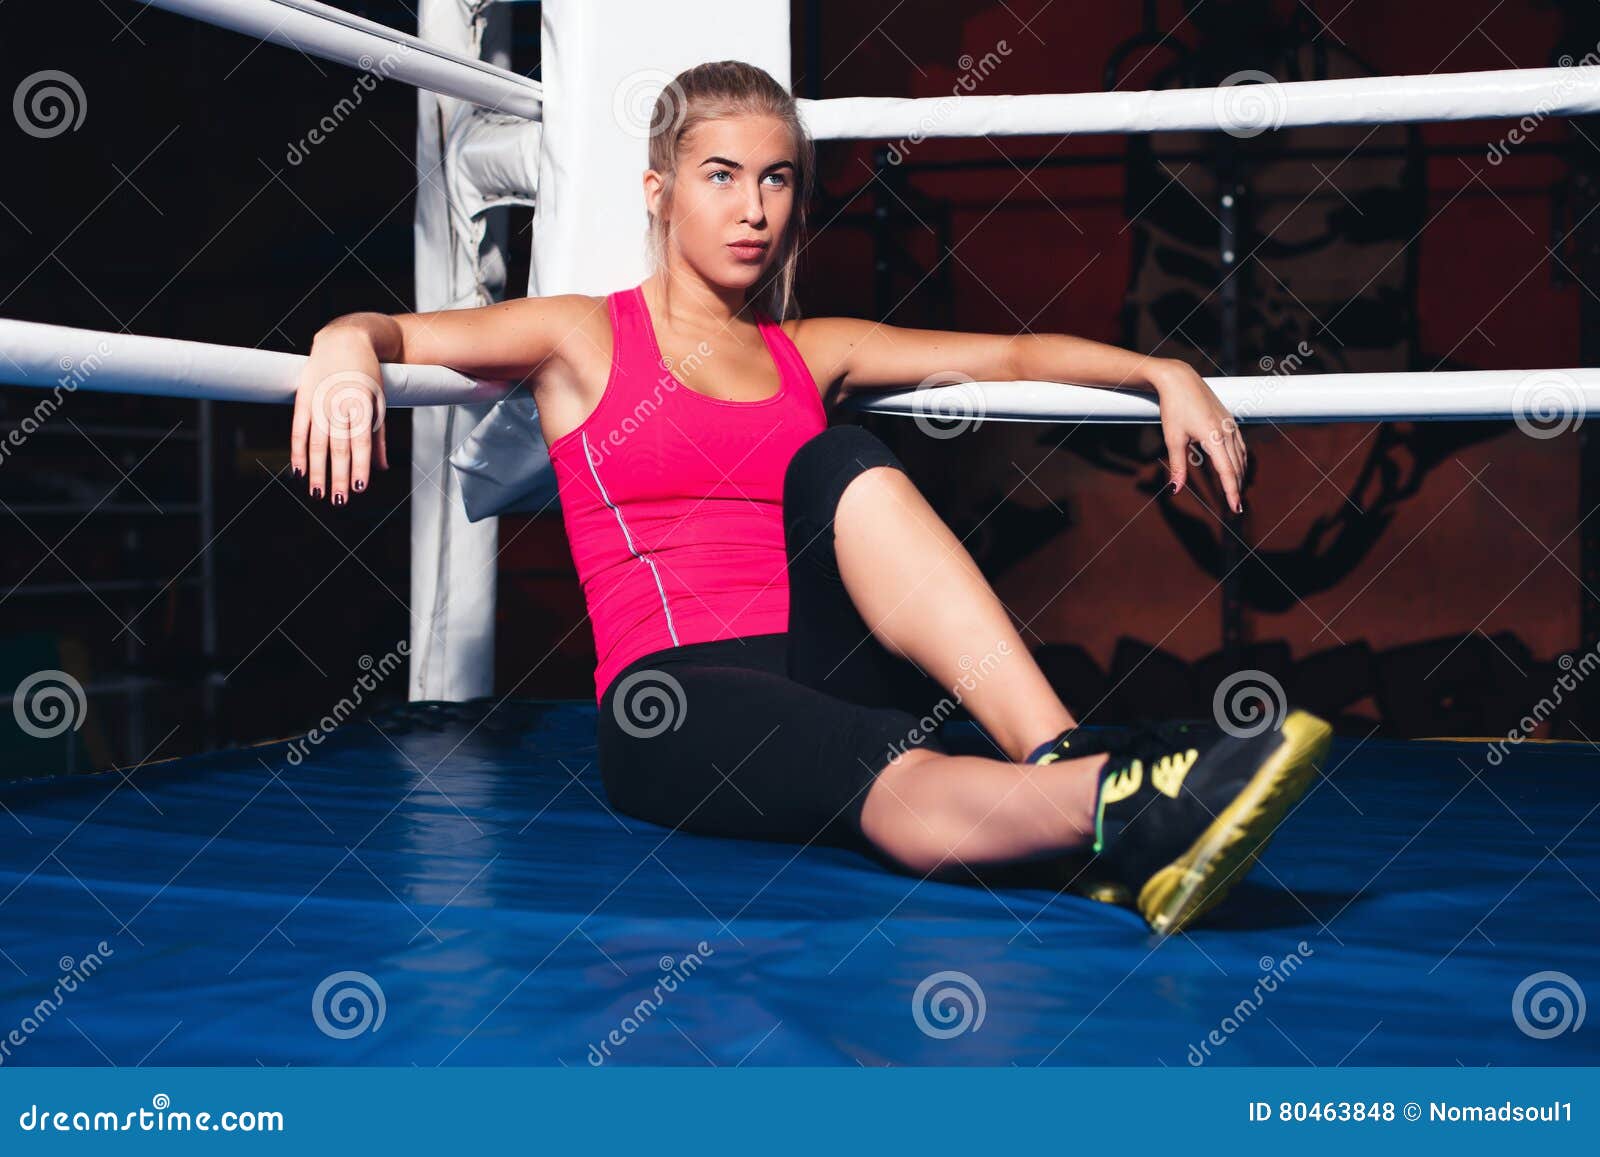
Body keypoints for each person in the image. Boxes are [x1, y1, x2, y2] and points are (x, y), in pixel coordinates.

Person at [288, 60, 1331, 937]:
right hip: (673, 699)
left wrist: (1160, 371)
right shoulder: (580, 334)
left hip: (824, 662)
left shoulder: (809, 350)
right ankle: (1119, 810)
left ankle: (1066, 755)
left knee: (839, 460)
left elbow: (1011, 355)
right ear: (659, 191)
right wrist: (341, 352)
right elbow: (388, 330)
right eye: (721, 176)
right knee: (876, 761)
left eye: (776, 179)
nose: (754, 209)